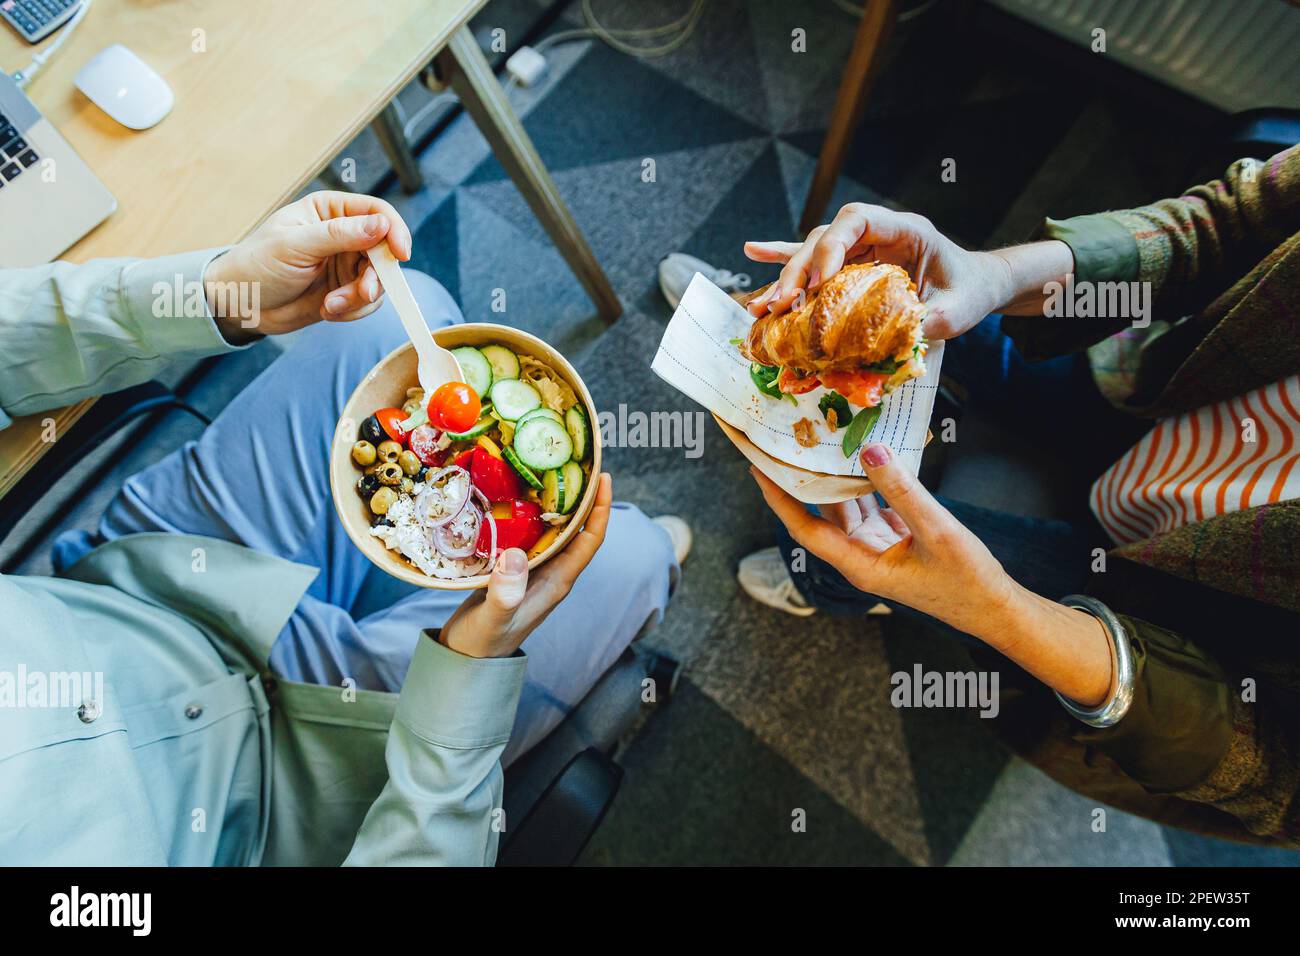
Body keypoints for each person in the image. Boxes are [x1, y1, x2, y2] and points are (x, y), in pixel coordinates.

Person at [0, 191, 687, 865]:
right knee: (628, 554)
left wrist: (219, 293)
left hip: (152, 581)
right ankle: (650, 570)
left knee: (393, 312)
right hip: (290, 795)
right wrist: (468, 676)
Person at [738, 146, 1300, 846]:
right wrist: (995, 272)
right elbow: (1234, 222)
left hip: (1178, 615)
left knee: (861, 544)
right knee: (937, 314)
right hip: (1167, 390)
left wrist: (998, 613)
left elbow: (1282, 777)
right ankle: (750, 323)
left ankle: (830, 586)